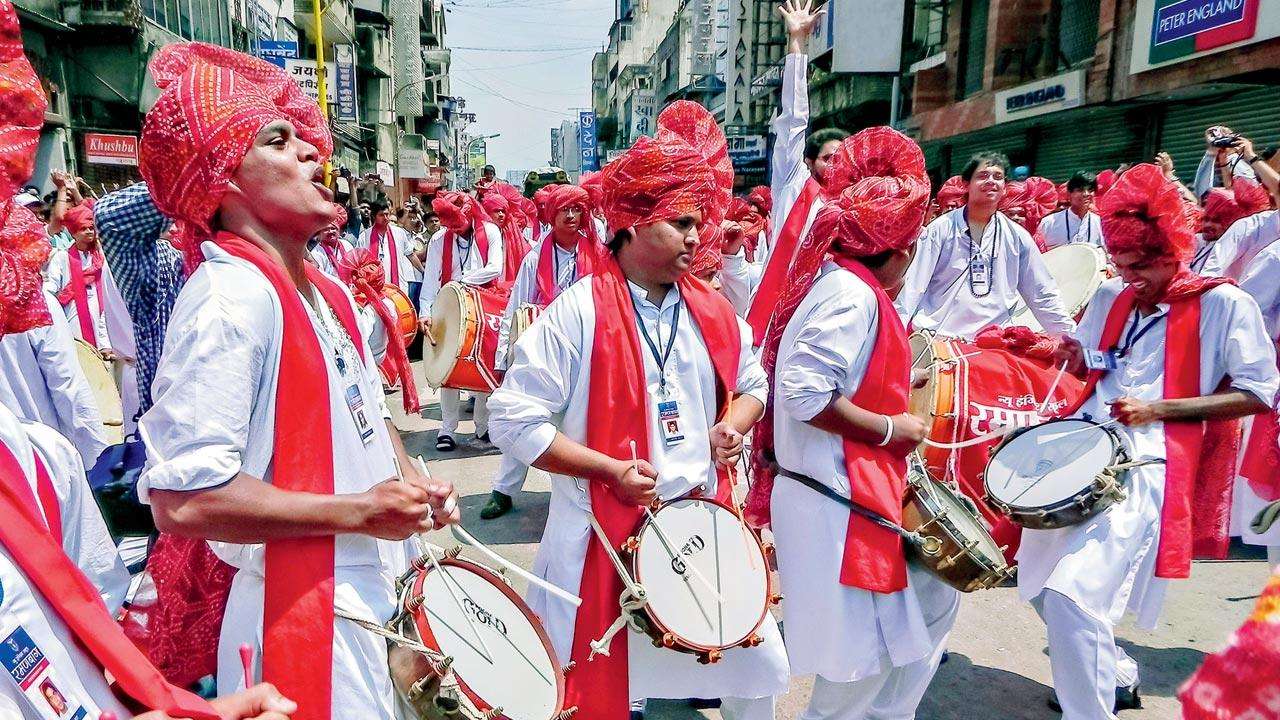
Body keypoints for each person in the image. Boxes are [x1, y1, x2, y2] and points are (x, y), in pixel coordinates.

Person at [134, 42, 459, 720]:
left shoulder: (326, 289)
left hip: (372, 596)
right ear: (225, 179)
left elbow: (368, 416)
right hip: (300, 615)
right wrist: (362, 513)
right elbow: (184, 501)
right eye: (279, 140)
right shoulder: (231, 298)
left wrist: (411, 485)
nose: (314, 150)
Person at [488, 100, 789, 720]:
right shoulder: (577, 312)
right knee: (594, 692)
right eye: (681, 222)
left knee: (758, 677)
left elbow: (757, 381)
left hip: (700, 534)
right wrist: (605, 469)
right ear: (633, 223)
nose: (698, 237)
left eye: (698, 222)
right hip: (603, 538)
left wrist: (732, 425)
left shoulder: (711, 310)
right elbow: (512, 420)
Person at [1023, 164, 1278, 719]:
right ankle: (1114, 672)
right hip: (1082, 445)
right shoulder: (1114, 293)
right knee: (1039, 584)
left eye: (1141, 265)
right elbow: (1105, 359)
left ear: (1173, 249)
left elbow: (1261, 391)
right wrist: (1069, 355)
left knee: (1072, 597)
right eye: (1119, 263)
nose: (1127, 274)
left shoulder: (1222, 303)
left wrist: (1160, 408)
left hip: (1148, 463)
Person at [748, 127, 957, 720]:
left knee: (919, 620)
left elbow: (835, 380)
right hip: (833, 501)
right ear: (897, 252)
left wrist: (898, 388)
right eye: (911, 247)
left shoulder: (850, 285)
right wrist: (893, 428)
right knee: (856, 671)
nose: (913, 258)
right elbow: (802, 393)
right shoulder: (850, 295)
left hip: (842, 496)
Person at [480, 184, 598, 520]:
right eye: (565, 210)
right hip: (542, 350)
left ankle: (582, 498)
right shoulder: (535, 257)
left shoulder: (598, 253)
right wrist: (504, 357)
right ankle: (503, 491)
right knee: (526, 417)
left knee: (581, 425)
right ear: (552, 215)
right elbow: (515, 307)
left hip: (584, 350)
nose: (572, 216)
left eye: (578, 209)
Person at [894, 151, 1076, 339]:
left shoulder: (1018, 237)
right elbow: (913, 287)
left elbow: (1041, 293)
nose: (991, 181)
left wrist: (1071, 337)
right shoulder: (939, 230)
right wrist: (895, 335)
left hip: (994, 343)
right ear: (966, 184)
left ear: (1005, 187)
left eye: (998, 177)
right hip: (938, 340)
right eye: (982, 176)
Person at [743, 0, 839, 342]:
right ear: (810, 162)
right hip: (773, 315)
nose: (836, 166)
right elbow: (793, 122)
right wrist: (797, 45)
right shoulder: (792, 184)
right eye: (829, 158)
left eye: (843, 159)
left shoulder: (848, 206)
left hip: (821, 318)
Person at [418, 190, 504, 451]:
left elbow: (495, 267)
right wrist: (425, 312)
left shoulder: (489, 231)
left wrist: (461, 283)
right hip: (449, 307)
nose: (453, 228)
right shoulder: (438, 239)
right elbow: (431, 279)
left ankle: (483, 428)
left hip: (483, 305)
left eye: (457, 222)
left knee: (483, 366)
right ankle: (447, 430)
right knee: (448, 368)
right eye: (449, 224)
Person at [42, 202, 119, 355]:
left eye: (91, 228)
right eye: (84, 229)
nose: (90, 232)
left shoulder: (100, 256)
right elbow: (50, 289)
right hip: (73, 311)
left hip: (101, 309)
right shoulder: (62, 257)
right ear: (74, 232)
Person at [1191, 178, 1269, 274]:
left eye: (1216, 221)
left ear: (1232, 223)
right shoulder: (1197, 241)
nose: (1208, 225)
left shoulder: (1238, 254)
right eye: (1206, 219)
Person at [356, 200, 413, 295]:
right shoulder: (365, 236)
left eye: (387, 214)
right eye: (381, 215)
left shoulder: (399, 233)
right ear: (374, 216)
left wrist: (423, 271)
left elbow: (410, 255)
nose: (386, 218)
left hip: (397, 286)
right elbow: (359, 262)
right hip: (374, 287)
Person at [1038, 171, 1103, 249]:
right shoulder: (1049, 223)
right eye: (1080, 190)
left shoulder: (1099, 223)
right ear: (1069, 194)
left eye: (1090, 190)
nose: (1086, 194)